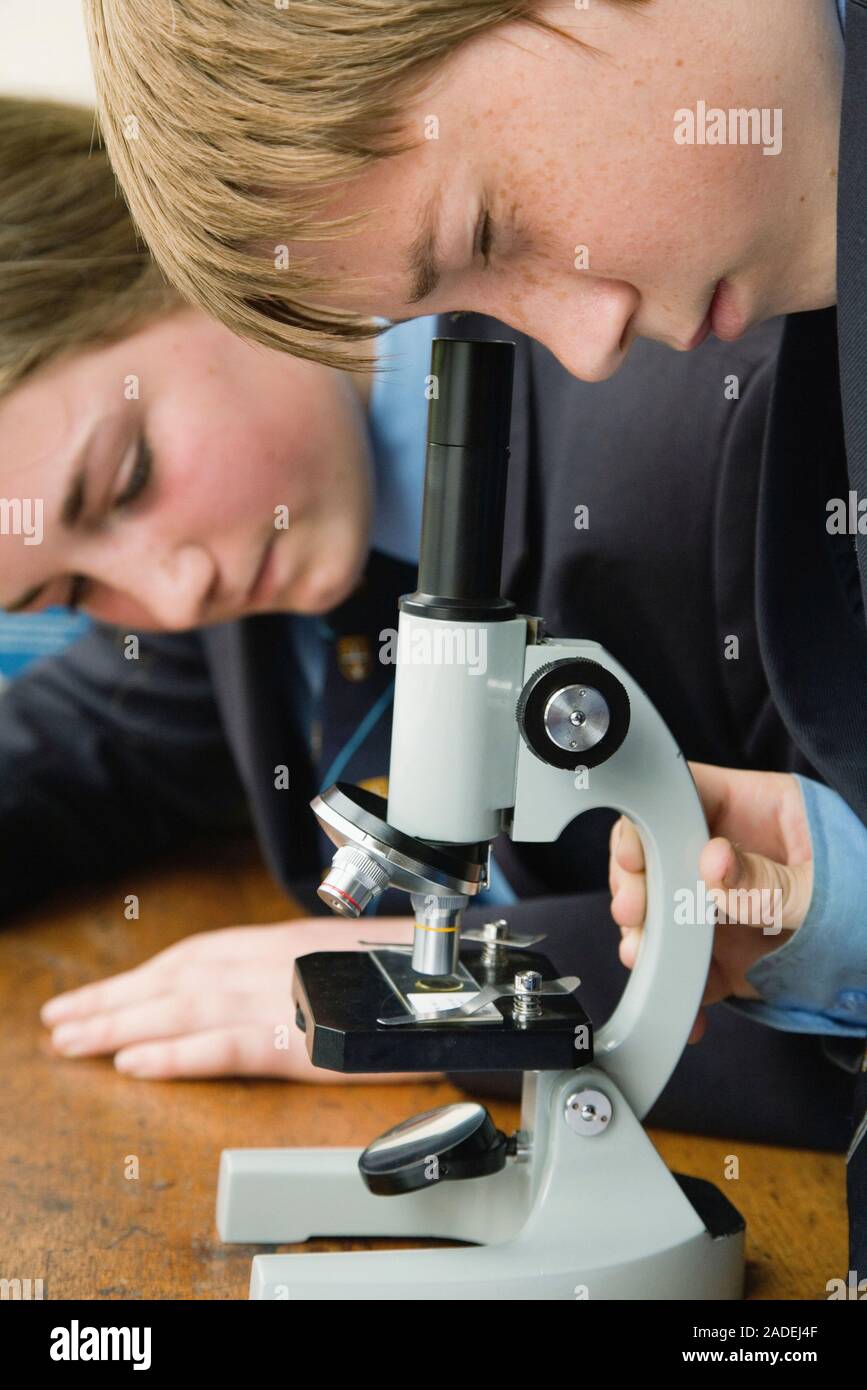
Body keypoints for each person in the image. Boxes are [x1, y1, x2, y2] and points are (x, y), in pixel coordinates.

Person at [81, 0, 867, 1272]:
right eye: (70, 589)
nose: (166, 597)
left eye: (120, 480)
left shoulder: (741, 392)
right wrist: (832, 903)